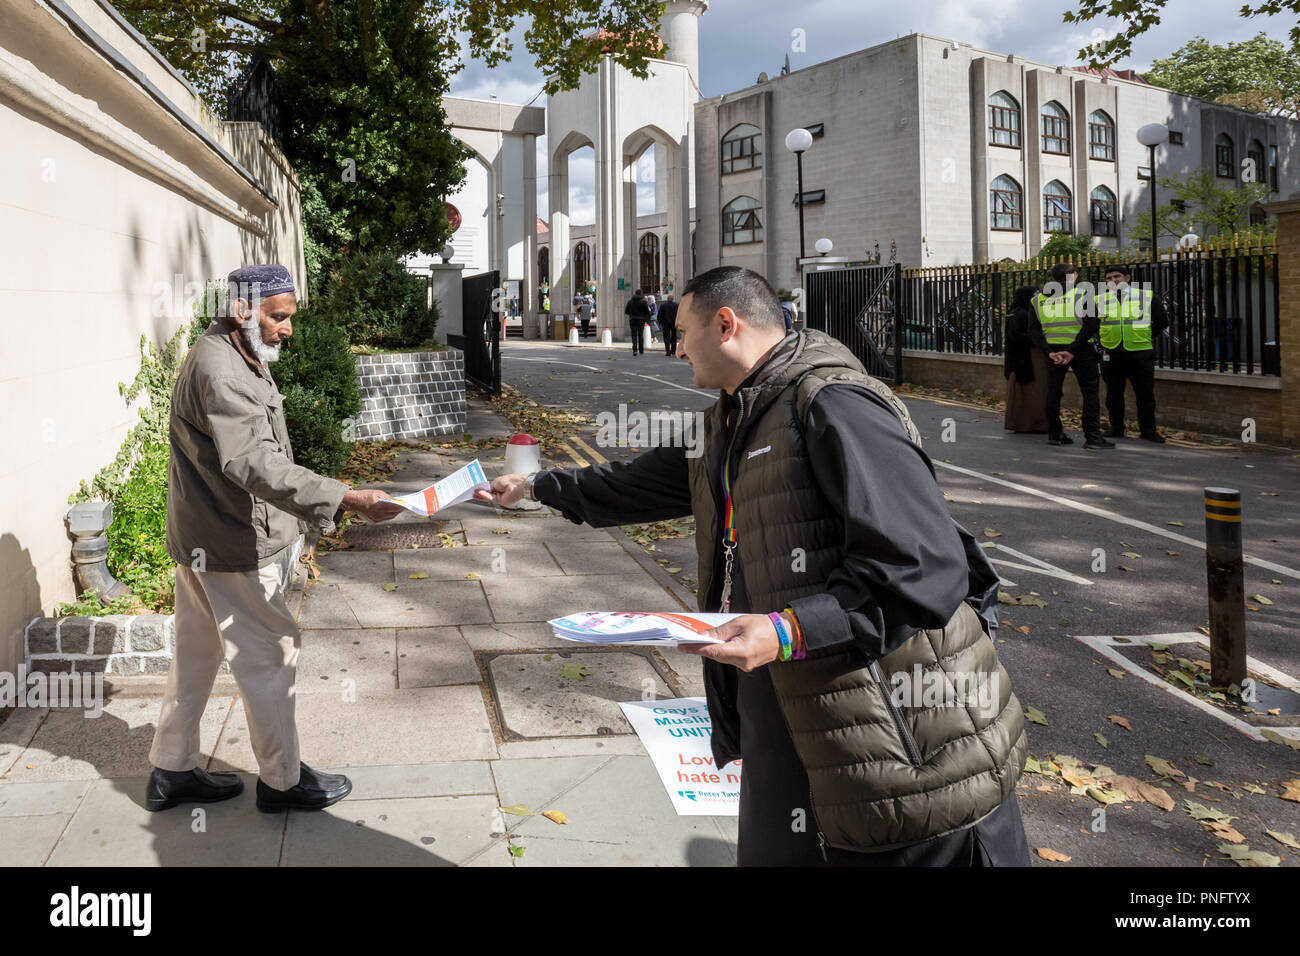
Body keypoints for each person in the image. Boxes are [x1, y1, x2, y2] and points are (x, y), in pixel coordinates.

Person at [479, 265, 1030, 867]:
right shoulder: (731, 417)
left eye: (683, 329)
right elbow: (629, 485)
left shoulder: (836, 404)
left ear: (725, 324)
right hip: (799, 722)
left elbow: (924, 568)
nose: (676, 342)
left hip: (912, 754)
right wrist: (535, 487)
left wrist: (789, 629)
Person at [147, 264, 404, 814]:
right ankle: (283, 783)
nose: (288, 328)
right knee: (270, 658)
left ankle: (171, 769)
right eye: (278, 316)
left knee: (195, 655)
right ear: (242, 309)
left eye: (289, 317)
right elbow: (254, 463)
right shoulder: (225, 370)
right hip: (233, 544)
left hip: (203, 539)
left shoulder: (229, 351)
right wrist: (346, 497)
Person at [1029, 262, 1112, 449]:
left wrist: (1049, 352)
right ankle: (1092, 438)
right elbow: (1091, 326)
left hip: (1054, 352)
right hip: (1080, 351)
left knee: (1053, 392)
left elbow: (1034, 332)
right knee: (1090, 393)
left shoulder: (1037, 300)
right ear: (1073, 276)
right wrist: (1072, 350)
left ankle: (1054, 434)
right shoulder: (1083, 294)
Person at [1099, 264, 1169, 442]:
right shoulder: (1100, 299)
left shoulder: (1146, 296)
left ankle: (1148, 430)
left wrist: (1145, 335)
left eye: (1117, 276)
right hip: (1112, 352)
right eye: (1108, 278)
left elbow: (1162, 320)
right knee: (1113, 394)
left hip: (1140, 353)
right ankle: (1116, 427)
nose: (1113, 281)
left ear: (1127, 278)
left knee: (1145, 394)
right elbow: (1092, 325)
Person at [1003, 285, 1048, 433]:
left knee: (1034, 392)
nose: (1037, 297)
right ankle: (1030, 424)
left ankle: (1031, 423)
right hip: (1025, 359)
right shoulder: (1020, 314)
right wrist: (1038, 340)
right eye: (1034, 294)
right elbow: (1015, 335)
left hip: (1025, 358)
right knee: (1031, 392)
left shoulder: (1022, 312)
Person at [625, 288, 651, 355]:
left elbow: (626, 311)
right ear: (641, 293)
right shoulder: (643, 301)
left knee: (634, 335)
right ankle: (641, 350)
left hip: (632, 319)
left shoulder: (630, 301)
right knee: (640, 335)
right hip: (641, 320)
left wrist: (632, 313)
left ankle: (634, 350)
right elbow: (647, 312)